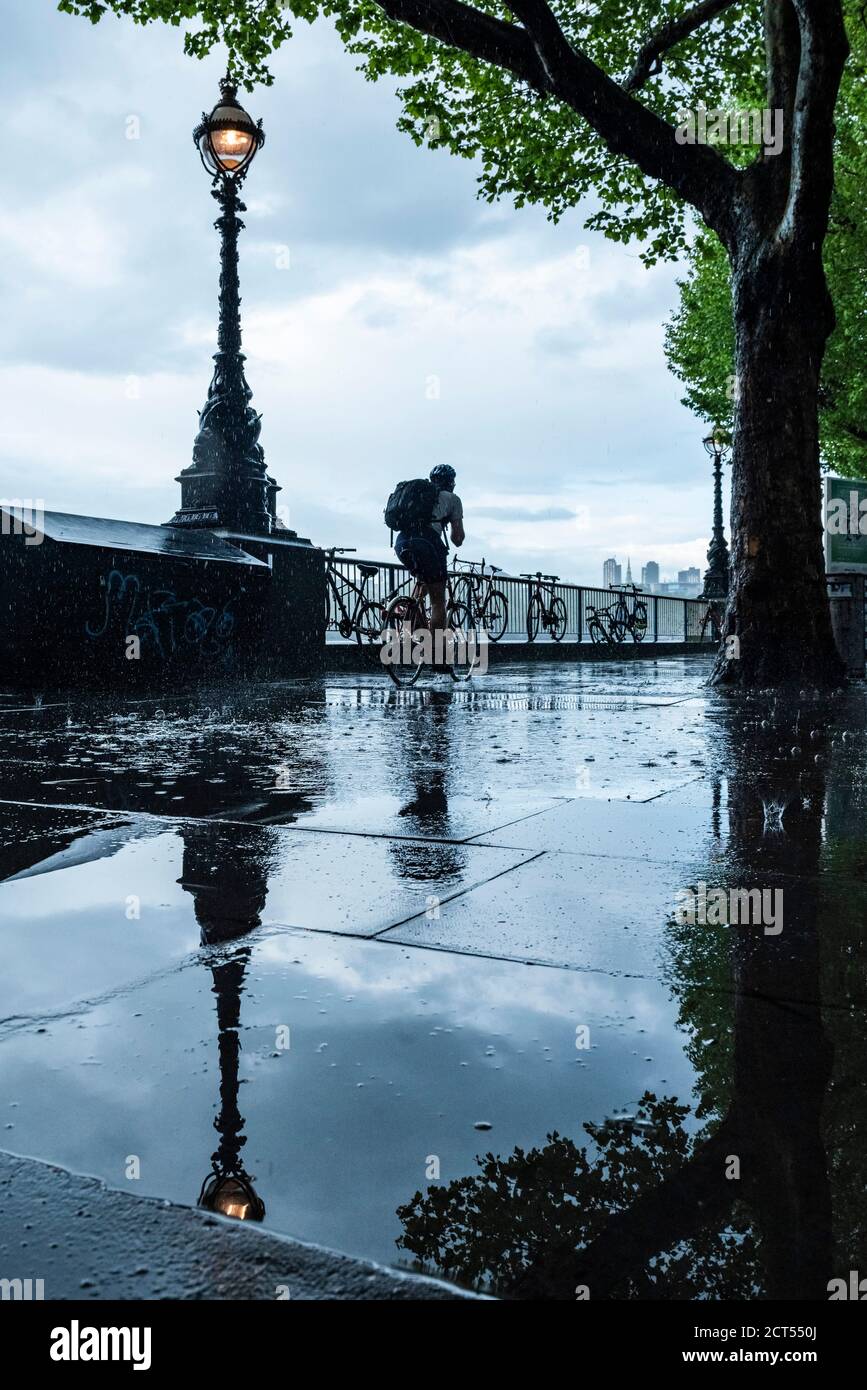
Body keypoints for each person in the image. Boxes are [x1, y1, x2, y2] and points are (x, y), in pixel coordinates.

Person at [394, 465, 464, 634]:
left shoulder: (419, 495)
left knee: (423, 582)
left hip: (402, 541)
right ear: (452, 482)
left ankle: (412, 624)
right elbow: (457, 539)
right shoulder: (452, 499)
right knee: (438, 602)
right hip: (427, 543)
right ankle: (436, 652)